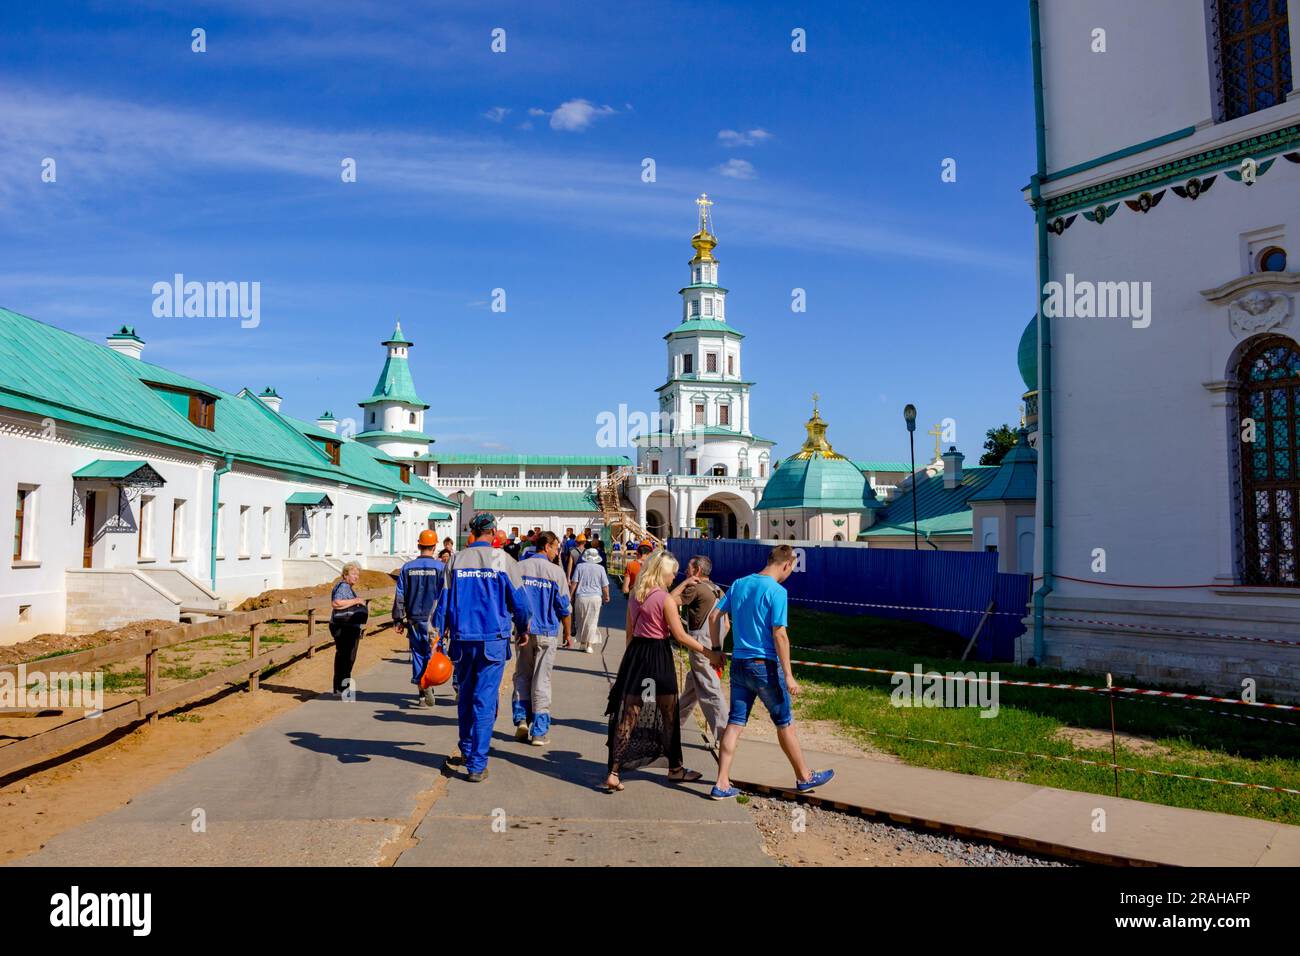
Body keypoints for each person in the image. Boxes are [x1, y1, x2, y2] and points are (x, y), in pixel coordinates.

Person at [708, 545, 834, 799]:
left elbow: (714, 616)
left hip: (739, 664)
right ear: (786, 565)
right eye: (792, 567)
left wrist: (716, 649)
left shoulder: (739, 583)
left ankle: (721, 783)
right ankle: (804, 776)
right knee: (784, 722)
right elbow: (780, 634)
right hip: (764, 666)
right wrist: (788, 675)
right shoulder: (777, 591)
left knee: (735, 723)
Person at [604, 550, 721, 793]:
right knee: (669, 712)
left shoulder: (637, 594)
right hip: (658, 655)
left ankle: (614, 771)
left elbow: (629, 630)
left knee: (630, 714)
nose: (674, 578)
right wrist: (709, 653)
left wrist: (629, 662)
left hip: (636, 654)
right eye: (672, 574)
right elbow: (680, 635)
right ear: (663, 573)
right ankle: (675, 768)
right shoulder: (665, 599)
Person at [433, 512, 531, 782]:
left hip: (463, 641)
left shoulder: (455, 560)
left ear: (473, 532)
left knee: (464, 696)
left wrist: (437, 639)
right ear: (494, 532)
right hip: (493, 640)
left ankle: (466, 750)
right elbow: (521, 605)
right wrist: (522, 629)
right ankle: (477, 764)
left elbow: (442, 605)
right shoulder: (504, 561)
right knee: (484, 700)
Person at [512, 532, 571, 745]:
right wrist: (568, 633)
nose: (557, 552)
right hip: (547, 632)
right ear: (547, 547)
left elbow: (512, 600)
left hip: (524, 632)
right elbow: (563, 607)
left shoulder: (519, 568)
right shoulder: (556, 572)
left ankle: (521, 719)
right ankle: (539, 731)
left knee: (522, 675)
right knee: (541, 680)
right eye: (556, 547)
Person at [670, 556, 729, 749]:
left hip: (700, 644)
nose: (686, 572)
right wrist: (717, 647)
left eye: (688, 568)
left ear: (697, 570)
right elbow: (726, 624)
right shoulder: (719, 590)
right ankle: (670, 727)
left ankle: (724, 737)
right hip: (715, 641)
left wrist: (684, 583)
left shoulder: (694, 588)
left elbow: (667, 603)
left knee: (710, 690)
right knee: (692, 688)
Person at [393, 530, 447, 707]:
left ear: (419, 545)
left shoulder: (407, 568)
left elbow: (400, 594)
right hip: (434, 620)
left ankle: (422, 693)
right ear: (434, 546)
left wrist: (398, 619)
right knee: (433, 653)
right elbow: (446, 594)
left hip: (414, 618)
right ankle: (429, 682)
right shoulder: (441, 568)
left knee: (417, 653)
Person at [328, 562, 368, 696]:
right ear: (345, 575)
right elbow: (336, 603)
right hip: (344, 628)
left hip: (346, 627)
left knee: (344, 657)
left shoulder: (346, 587)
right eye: (353, 574)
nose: (356, 577)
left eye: (358, 574)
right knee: (346, 658)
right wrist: (356, 601)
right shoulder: (344, 587)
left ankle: (340, 688)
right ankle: (342, 689)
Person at [570, 546, 610, 653]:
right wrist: (607, 596)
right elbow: (605, 585)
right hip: (595, 597)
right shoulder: (600, 568)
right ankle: (589, 645)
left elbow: (574, 583)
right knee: (592, 621)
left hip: (581, 597)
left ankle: (583, 643)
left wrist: (570, 595)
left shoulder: (579, 567)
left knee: (581, 620)